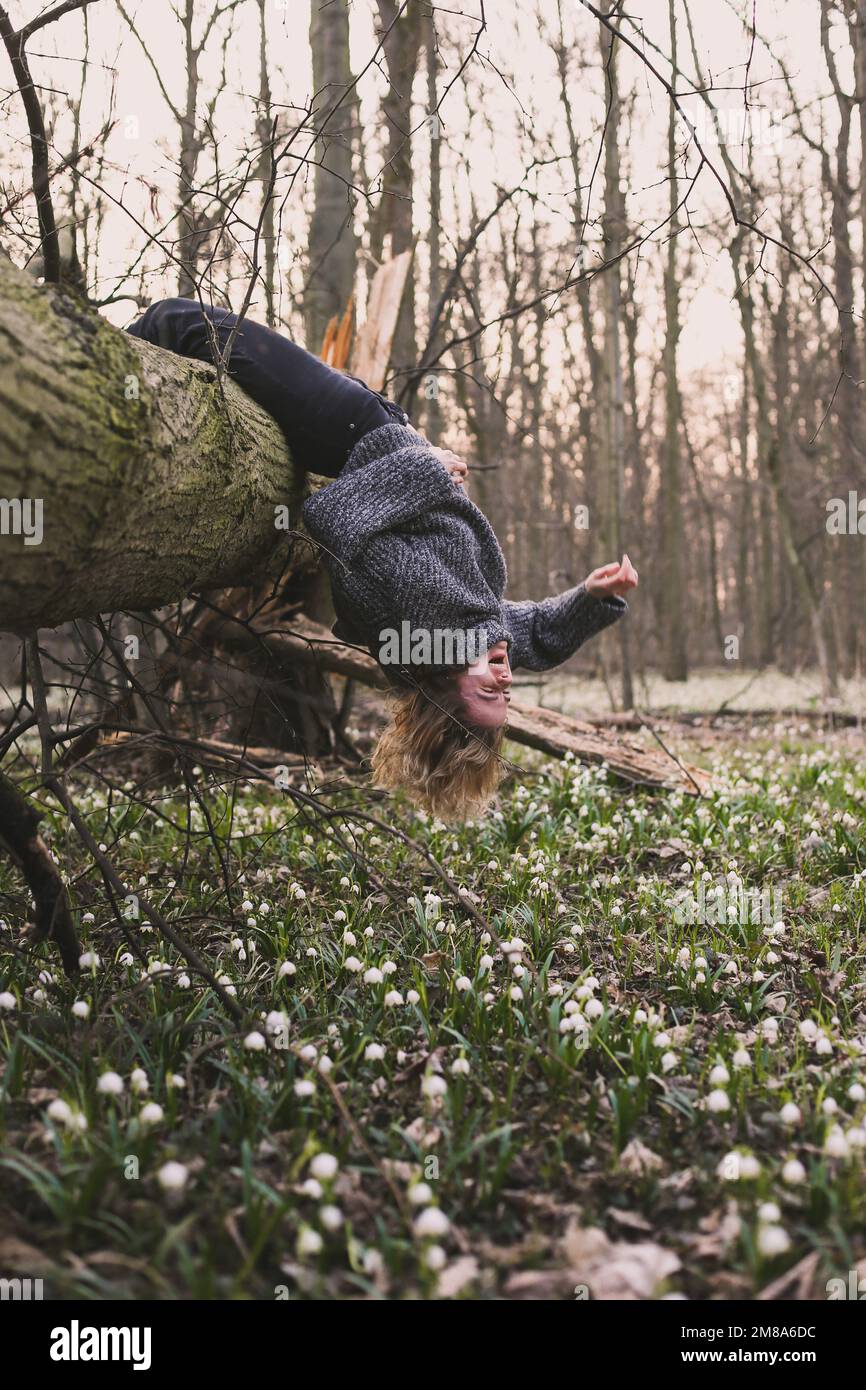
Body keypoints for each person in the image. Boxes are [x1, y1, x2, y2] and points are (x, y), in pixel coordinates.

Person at [128, 298, 638, 817]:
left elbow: (331, 516)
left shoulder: (416, 616)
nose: (505, 683)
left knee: (185, 327)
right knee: (199, 333)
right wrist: (592, 597)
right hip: (380, 426)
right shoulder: (467, 633)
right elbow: (539, 636)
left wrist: (428, 470)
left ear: (447, 694)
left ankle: (107, 363)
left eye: (488, 696)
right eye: (505, 700)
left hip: (342, 429)